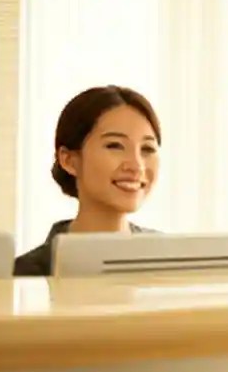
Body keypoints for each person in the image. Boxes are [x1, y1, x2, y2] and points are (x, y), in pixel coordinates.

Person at [14, 85, 162, 276]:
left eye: (147, 149)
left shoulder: (173, 262)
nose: (136, 166)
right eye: (115, 146)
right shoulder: (21, 276)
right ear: (68, 160)